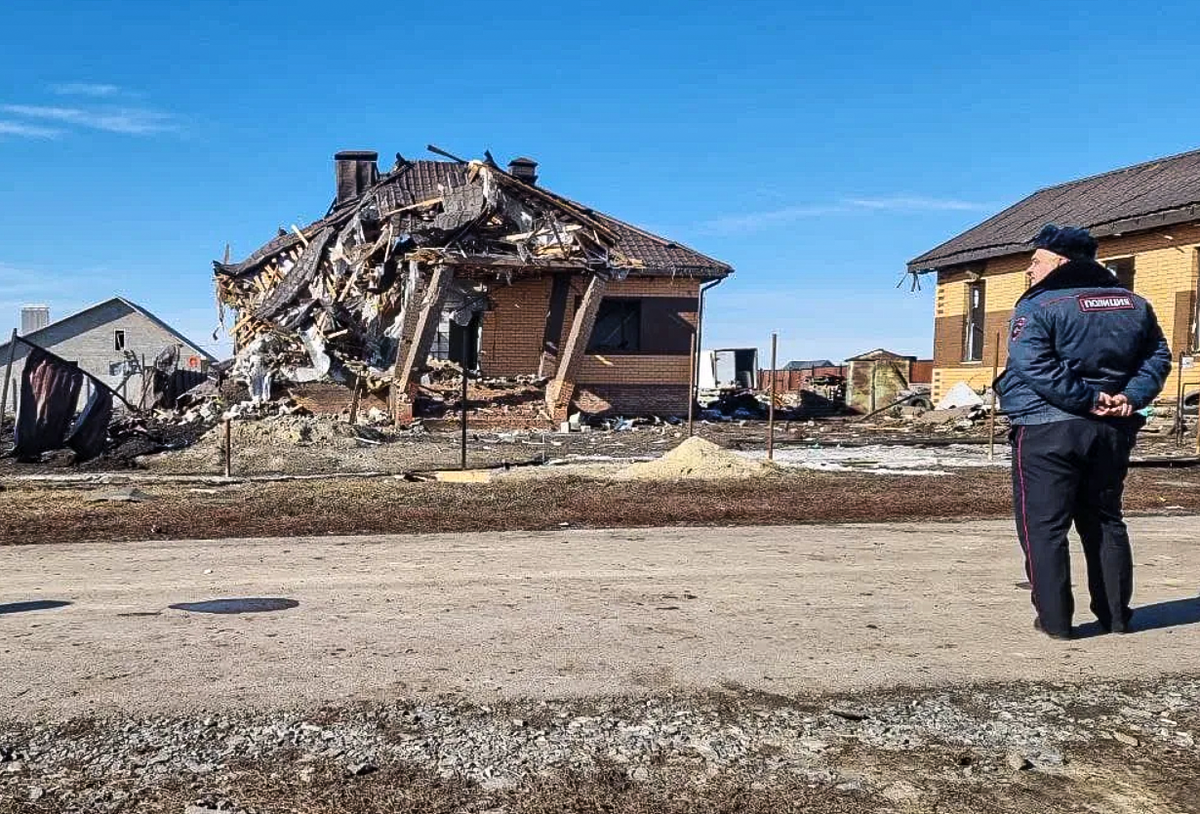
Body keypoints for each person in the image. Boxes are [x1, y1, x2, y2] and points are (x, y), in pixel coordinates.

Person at [995, 224, 1172, 639]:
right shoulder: (1135, 304)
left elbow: (1031, 363)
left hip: (1046, 427)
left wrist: (1084, 399)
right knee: (1105, 519)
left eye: (1035, 261)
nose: (1029, 270)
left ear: (1060, 260)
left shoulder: (1040, 305)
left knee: (1044, 525)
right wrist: (1131, 395)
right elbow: (1157, 356)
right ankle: (1115, 617)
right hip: (1112, 429)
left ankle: (1056, 621)